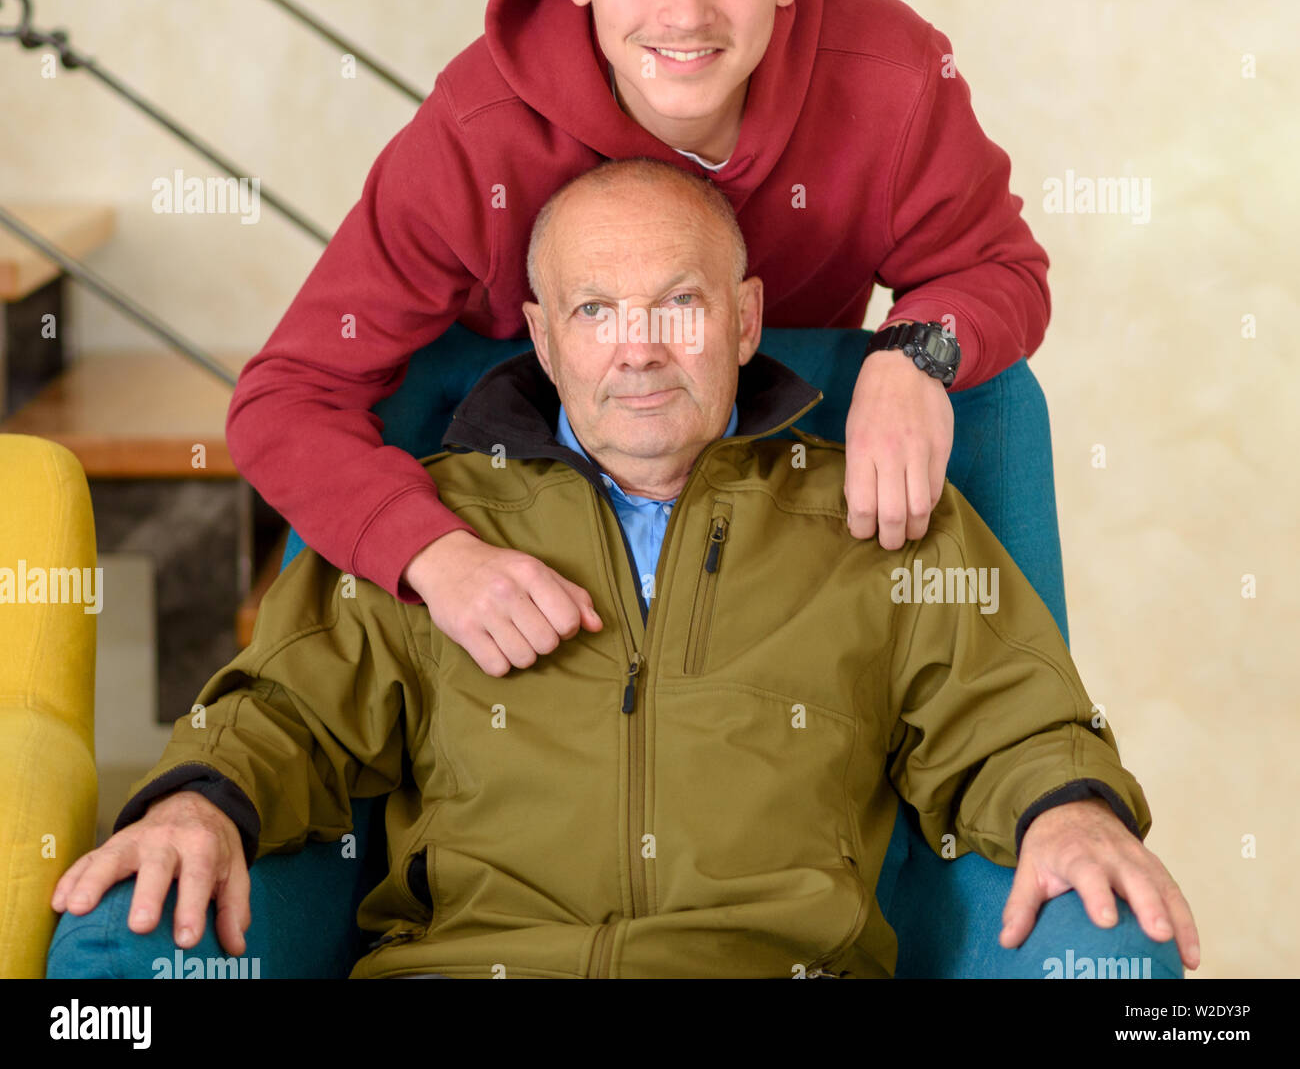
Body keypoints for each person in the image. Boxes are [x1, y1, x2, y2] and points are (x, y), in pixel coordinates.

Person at [53, 160, 1198, 979]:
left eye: (678, 304)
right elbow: (283, 713)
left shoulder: (874, 510)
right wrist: (197, 803)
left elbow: (1011, 718)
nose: (637, 346)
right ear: (543, 340)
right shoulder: (434, 523)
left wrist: (1071, 807)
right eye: (595, 309)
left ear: (747, 320)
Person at [224, 0, 1052, 676]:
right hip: (530, 466)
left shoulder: (892, 75)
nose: (685, 13)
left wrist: (914, 355)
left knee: (982, 389)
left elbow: (1000, 268)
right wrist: (437, 557)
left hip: (767, 449)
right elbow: (288, 397)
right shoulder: (476, 130)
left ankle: (1020, 751)